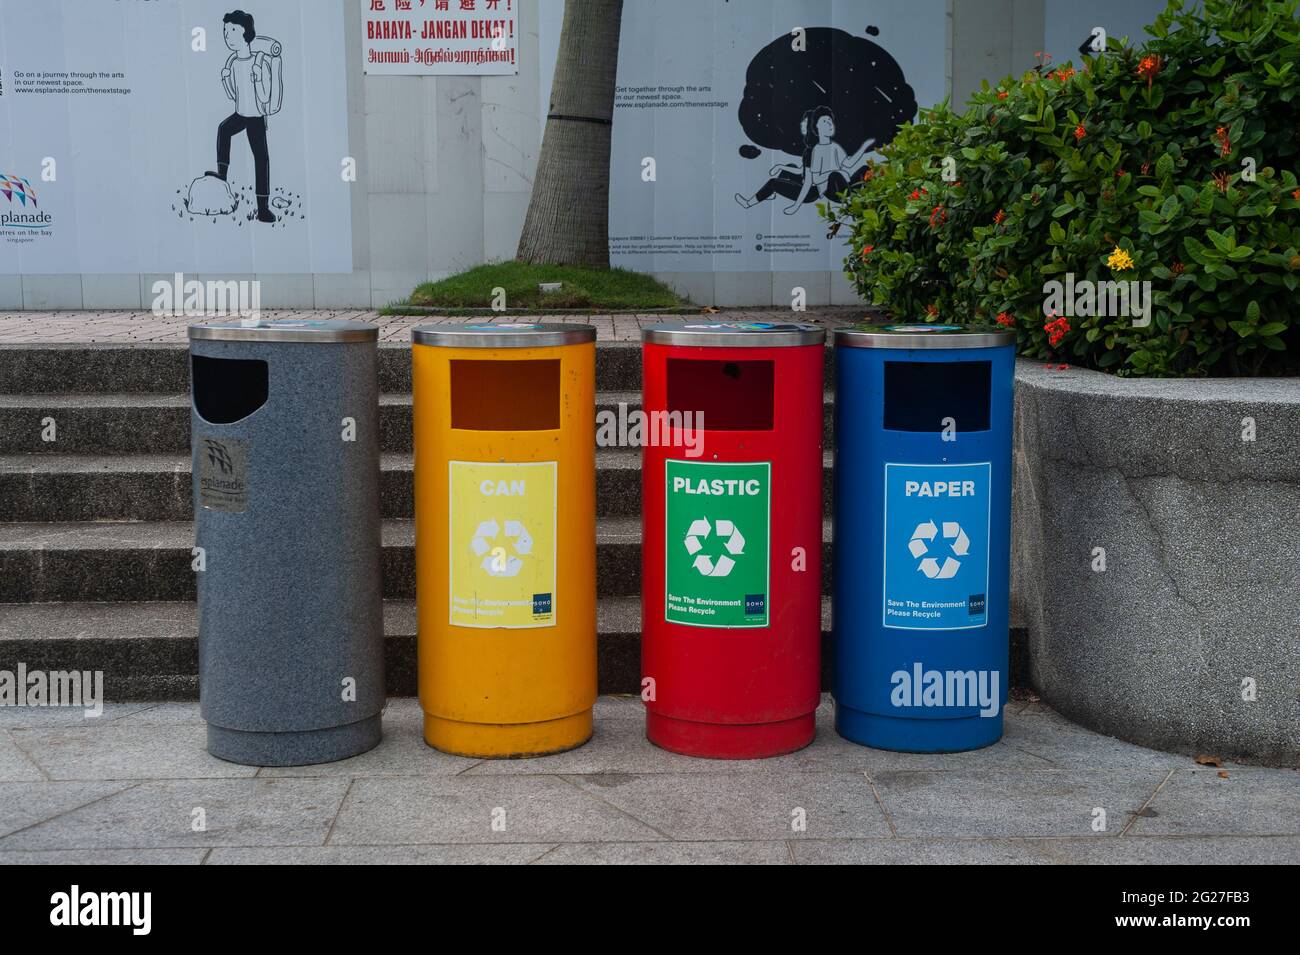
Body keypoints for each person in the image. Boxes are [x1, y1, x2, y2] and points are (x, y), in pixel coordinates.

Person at [206, 10, 276, 223]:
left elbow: (265, 97)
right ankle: (222, 175)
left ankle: (263, 207)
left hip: (255, 117)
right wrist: (225, 80)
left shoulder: (260, 62)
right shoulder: (234, 63)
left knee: (261, 159)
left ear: (246, 33)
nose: (228, 35)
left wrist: (256, 78)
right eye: (226, 31)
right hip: (240, 114)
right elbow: (233, 95)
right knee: (223, 129)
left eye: (233, 30)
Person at [736, 107, 874, 214]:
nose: (829, 124)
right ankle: (752, 201)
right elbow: (808, 178)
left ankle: (863, 199)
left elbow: (847, 164)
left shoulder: (832, 147)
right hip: (825, 189)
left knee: (864, 170)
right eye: (824, 121)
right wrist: (795, 206)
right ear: (817, 127)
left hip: (839, 189)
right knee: (785, 173)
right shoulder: (816, 150)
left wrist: (864, 147)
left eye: (829, 121)